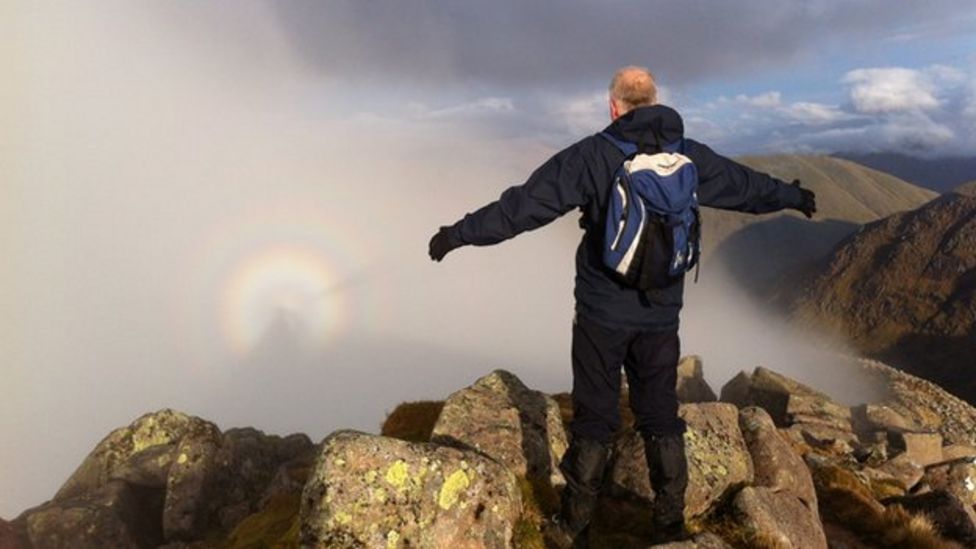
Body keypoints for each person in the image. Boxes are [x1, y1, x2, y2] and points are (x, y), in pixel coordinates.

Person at [427, 66, 816, 547]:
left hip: (600, 313)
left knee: (595, 418)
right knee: (660, 415)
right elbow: (747, 188)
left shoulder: (593, 156)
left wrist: (457, 234)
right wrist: (795, 195)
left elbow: (522, 207)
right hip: (661, 314)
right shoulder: (688, 156)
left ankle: (573, 527)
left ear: (614, 106)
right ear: (654, 101)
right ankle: (669, 525)